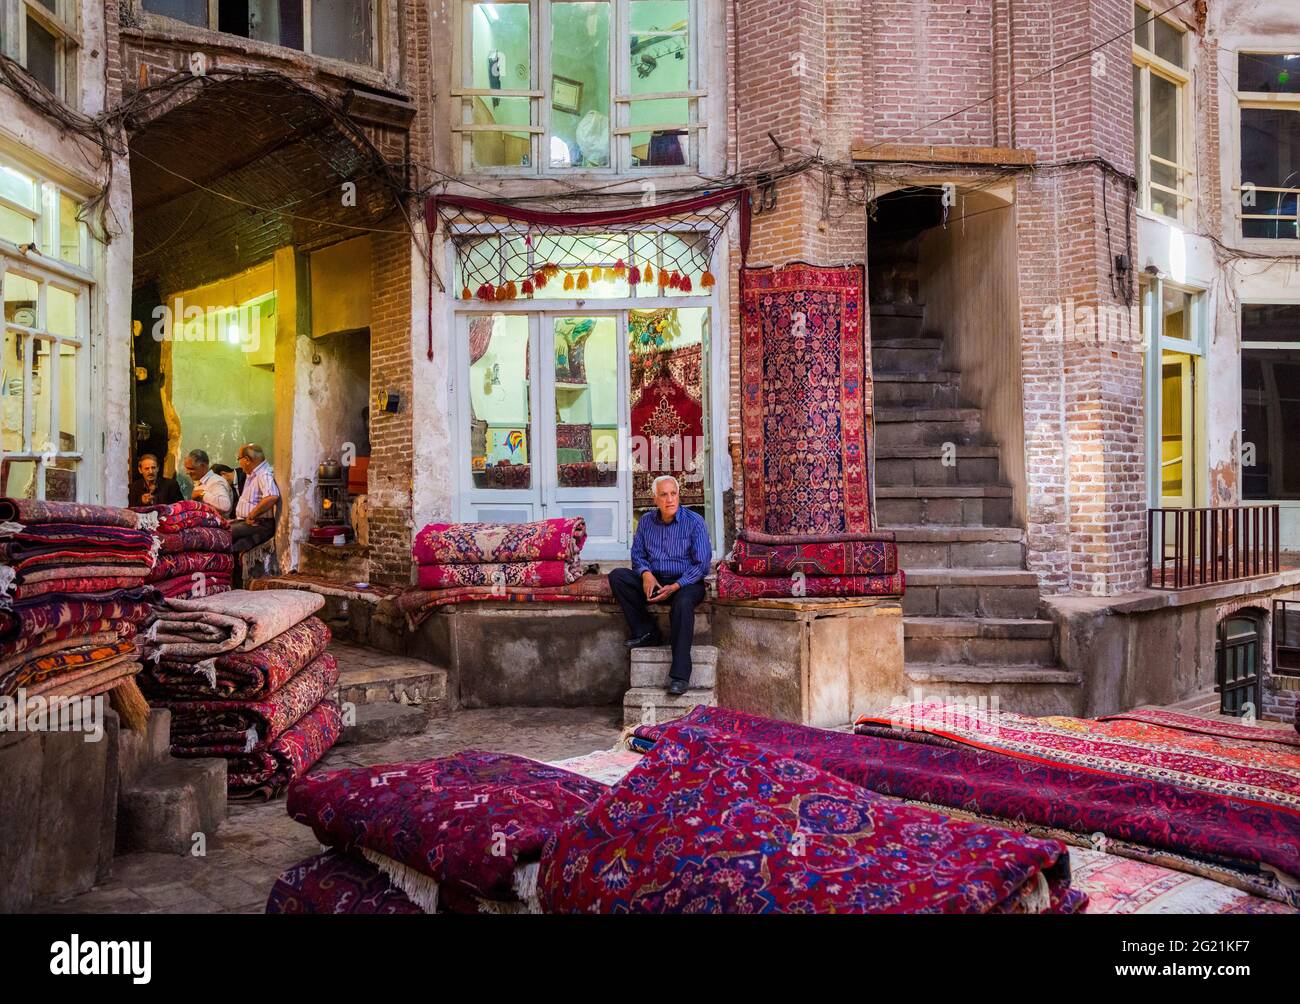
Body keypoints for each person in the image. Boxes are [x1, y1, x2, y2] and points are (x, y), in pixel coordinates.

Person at [608, 475, 712, 696]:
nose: (669, 499)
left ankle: (680, 675)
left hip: (686, 582)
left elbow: (702, 564)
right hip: (656, 580)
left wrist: (676, 585)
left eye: (673, 494)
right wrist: (645, 574)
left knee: (683, 603)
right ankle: (647, 631)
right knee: (618, 577)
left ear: (679, 496)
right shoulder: (646, 521)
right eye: (663, 495)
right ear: (655, 499)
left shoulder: (694, 522)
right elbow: (637, 555)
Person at [230, 444, 280, 554]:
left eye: (239, 459)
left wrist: (252, 514)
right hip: (246, 522)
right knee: (220, 529)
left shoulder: (263, 474)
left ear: (247, 460)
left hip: (260, 524)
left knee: (222, 533)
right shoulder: (253, 474)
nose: (239, 463)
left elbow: (272, 496)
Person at [184, 448, 234, 518]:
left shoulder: (216, 481)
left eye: (191, 469)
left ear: (203, 466)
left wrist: (202, 493)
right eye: (186, 468)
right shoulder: (200, 482)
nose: (187, 472)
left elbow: (225, 506)